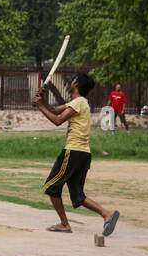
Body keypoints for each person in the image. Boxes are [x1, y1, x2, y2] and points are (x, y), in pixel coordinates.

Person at [33, 72, 119, 236]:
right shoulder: (79, 102)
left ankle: (65, 224)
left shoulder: (78, 103)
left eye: (73, 80)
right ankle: (106, 214)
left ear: (77, 84)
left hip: (73, 152)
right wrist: (42, 101)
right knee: (78, 196)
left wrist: (40, 106)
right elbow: (55, 110)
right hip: (83, 154)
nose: (70, 82)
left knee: (51, 187)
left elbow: (57, 120)